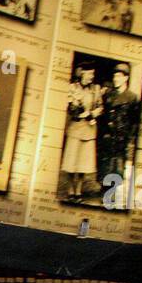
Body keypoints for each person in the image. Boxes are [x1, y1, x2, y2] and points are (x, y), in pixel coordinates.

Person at [61, 63, 102, 203]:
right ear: (82, 74)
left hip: (89, 132)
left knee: (83, 164)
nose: (92, 77)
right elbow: (70, 108)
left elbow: (100, 106)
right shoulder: (72, 88)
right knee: (71, 163)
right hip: (75, 129)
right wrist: (79, 112)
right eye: (89, 74)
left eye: (93, 74)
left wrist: (93, 113)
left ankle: (78, 191)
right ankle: (70, 190)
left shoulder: (96, 89)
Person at [97, 63, 139, 191]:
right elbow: (103, 114)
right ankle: (104, 187)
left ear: (126, 78)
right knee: (105, 162)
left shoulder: (132, 97)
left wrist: (129, 136)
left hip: (122, 137)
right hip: (108, 136)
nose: (116, 79)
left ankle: (113, 188)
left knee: (118, 164)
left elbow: (134, 119)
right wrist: (103, 131)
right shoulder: (108, 95)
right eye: (115, 76)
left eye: (119, 76)